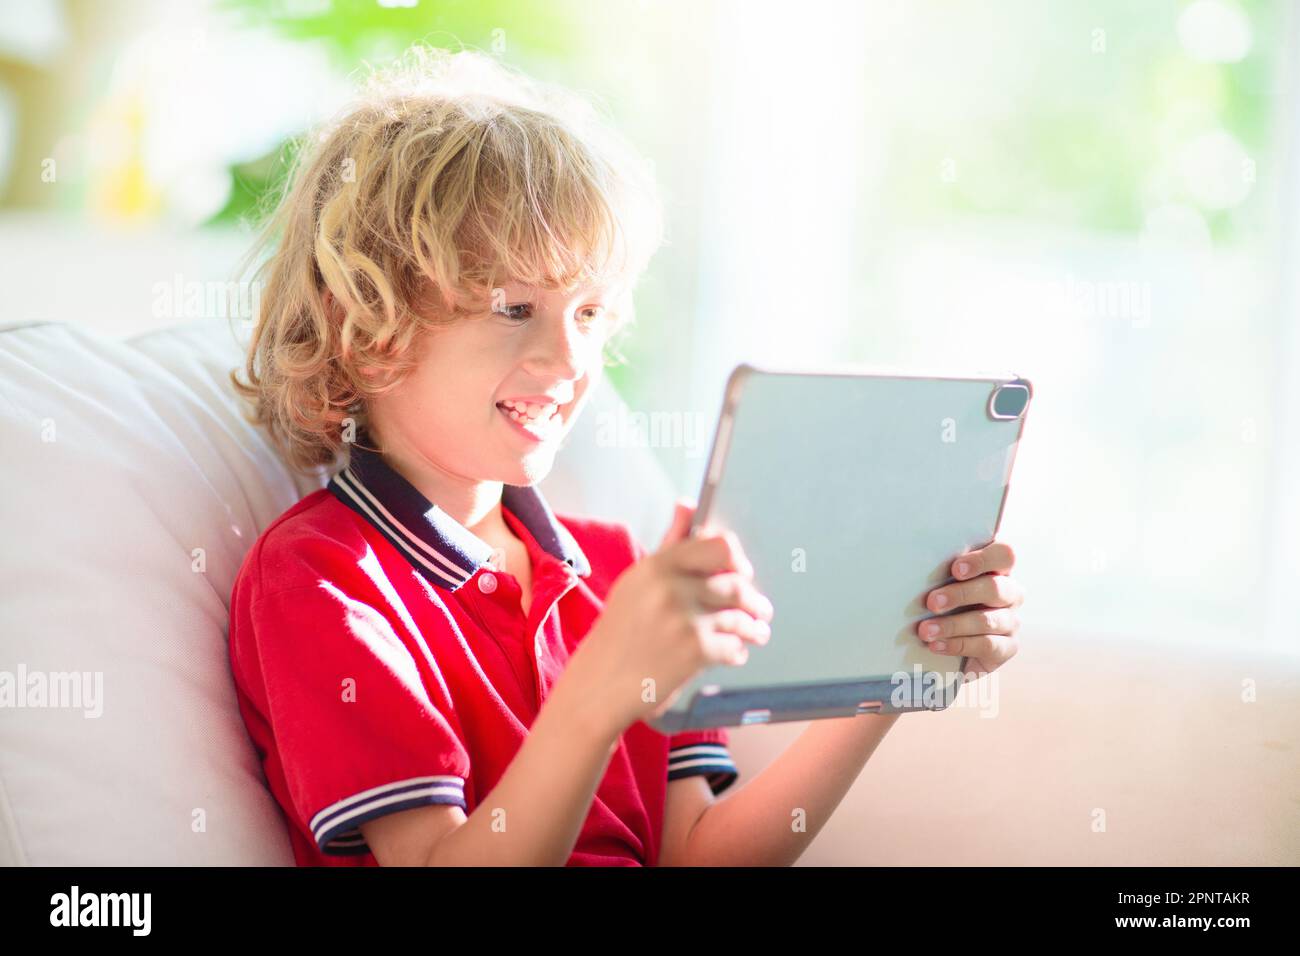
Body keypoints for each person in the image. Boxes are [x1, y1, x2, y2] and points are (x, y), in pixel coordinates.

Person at [227, 45, 1023, 867]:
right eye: (514, 307)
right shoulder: (321, 579)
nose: (570, 363)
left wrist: (888, 671)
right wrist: (597, 694)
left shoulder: (619, 568)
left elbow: (696, 855)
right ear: (364, 327)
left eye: (591, 314)